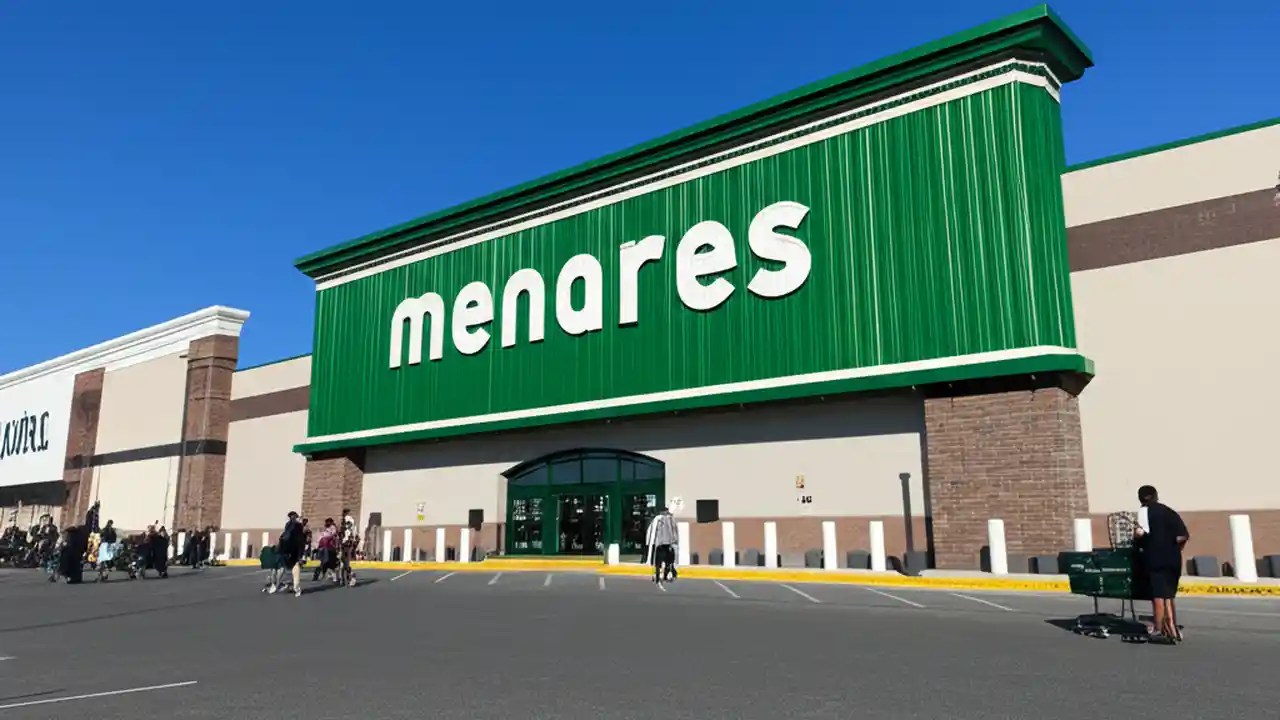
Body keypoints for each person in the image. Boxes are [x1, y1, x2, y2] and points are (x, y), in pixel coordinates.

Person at [1134, 485, 1189, 643]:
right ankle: (1171, 627)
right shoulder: (1169, 512)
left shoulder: (1144, 511)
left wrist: (1138, 539)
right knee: (1169, 594)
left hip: (1155, 558)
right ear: (1156, 495)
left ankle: (1158, 628)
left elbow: (1141, 533)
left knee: (1158, 594)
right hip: (1173, 559)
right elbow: (1182, 536)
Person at [274, 511, 306, 597]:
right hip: (292, 550)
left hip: (287, 551)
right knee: (295, 569)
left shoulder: (288, 526)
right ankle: (296, 588)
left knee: (283, 569)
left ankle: (278, 585)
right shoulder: (297, 526)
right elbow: (300, 541)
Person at [644, 507, 679, 584]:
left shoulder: (657, 519)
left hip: (659, 544)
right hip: (668, 544)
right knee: (668, 562)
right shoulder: (671, 519)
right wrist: (674, 541)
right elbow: (674, 531)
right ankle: (665, 576)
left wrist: (649, 543)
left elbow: (651, 531)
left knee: (658, 562)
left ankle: (657, 577)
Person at [313, 518, 339, 582]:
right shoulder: (325, 529)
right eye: (327, 522)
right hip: (324, 548)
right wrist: (316, 547)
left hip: (329, 548)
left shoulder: (332, 528)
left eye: (328, 522)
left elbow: (333, 535)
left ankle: (325, 575)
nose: (327, 523)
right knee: (325, 562)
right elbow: (320, 538)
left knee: (328, 562)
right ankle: (320, 575)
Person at [340, 508, 359, 587]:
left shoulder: (349, 520)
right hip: (344, 543)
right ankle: (344, 579)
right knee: (342, 563)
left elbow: (350, 532)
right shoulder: (344, 520)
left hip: (347, 544)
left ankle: (352, 576)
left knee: (345, 563)